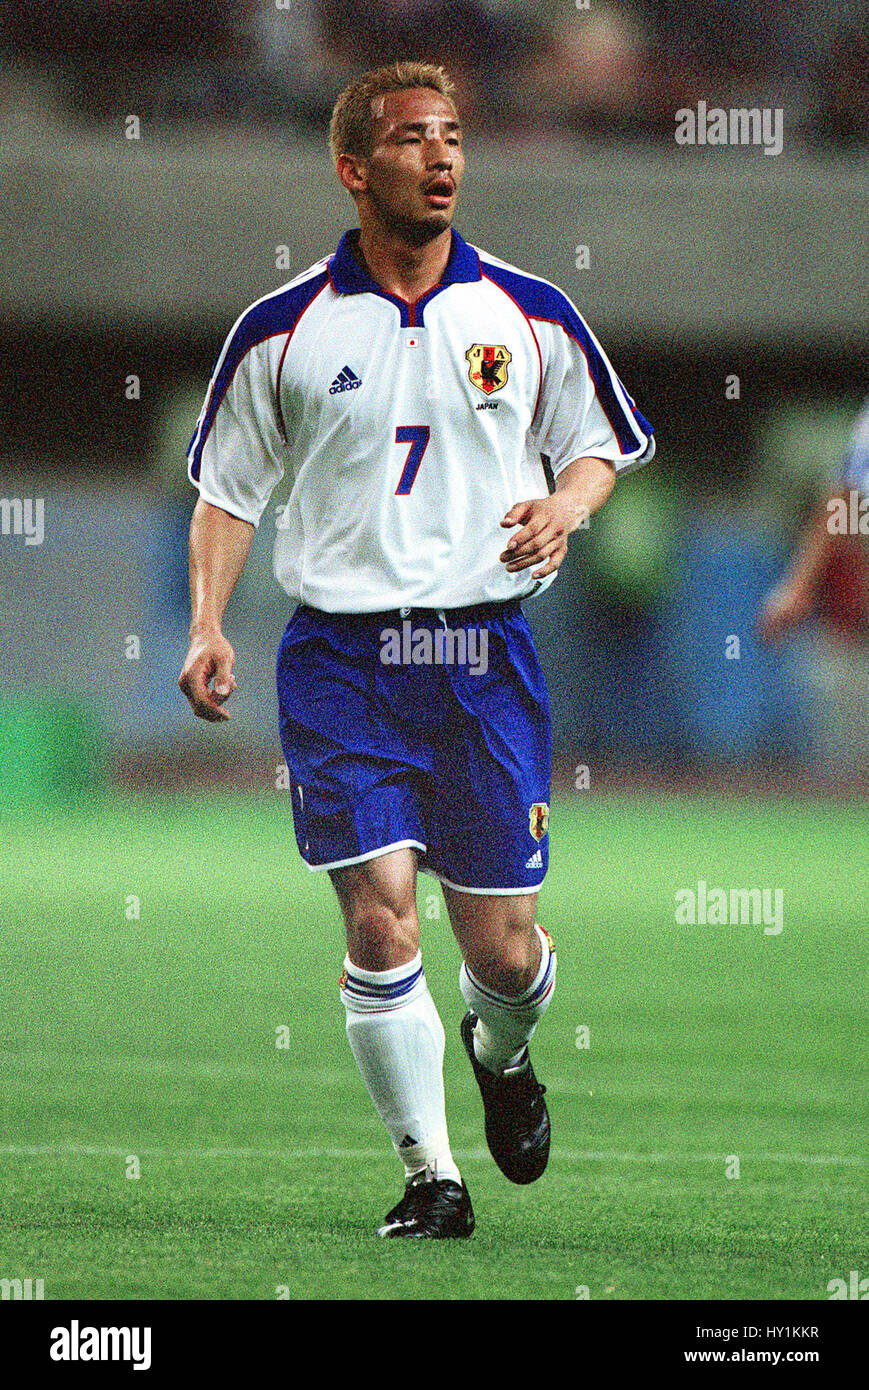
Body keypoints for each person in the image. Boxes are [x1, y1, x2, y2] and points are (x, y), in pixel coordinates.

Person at [179, 60, 654, 1238]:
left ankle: (501, 1050)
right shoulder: (282, 330)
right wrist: (201, 624)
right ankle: (431, 1177)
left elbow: (596, 445)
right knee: (380, 917)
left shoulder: (527, 313)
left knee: (500, 951)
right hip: (340, 663)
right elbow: (227, 494)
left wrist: (568, 506)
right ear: (352, 167)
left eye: (451, 137)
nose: (440, 158)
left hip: (483, 659)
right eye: (409, 140)